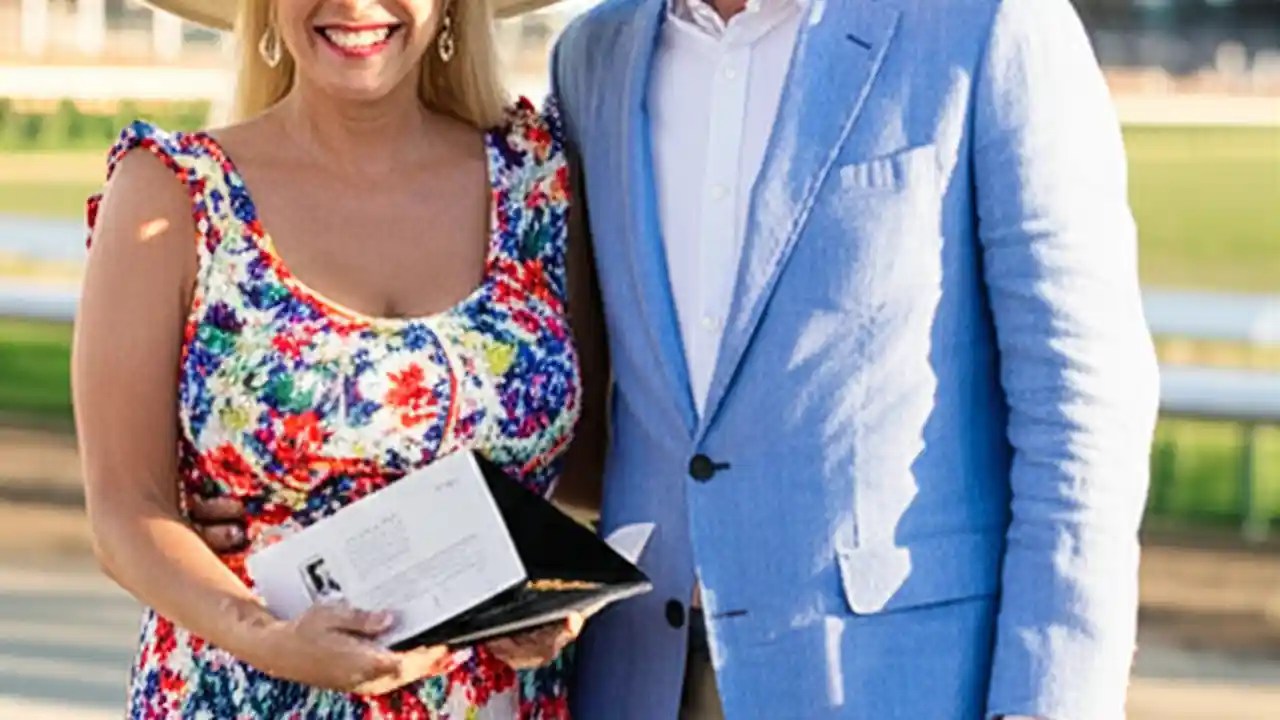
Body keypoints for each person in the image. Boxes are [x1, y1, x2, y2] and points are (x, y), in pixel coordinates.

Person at [546, 0, 1159, 718]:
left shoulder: (990, 24)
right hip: (638, 676)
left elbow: (1081, 405)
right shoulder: (592, 54)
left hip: (892, 682)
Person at [73, 0, 605, 717]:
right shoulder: (171, 194)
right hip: (243, 696)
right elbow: (123, 511)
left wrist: (563, 592)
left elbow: (591, 469)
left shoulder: (535, 182)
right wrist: (268, 636)